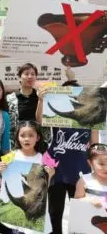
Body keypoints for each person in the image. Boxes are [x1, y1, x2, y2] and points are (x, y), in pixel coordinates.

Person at [36, 67, 99, 234]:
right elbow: (41, 120)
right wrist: (41, 101)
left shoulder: (89, 117)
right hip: (56, 169)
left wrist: (96, 169)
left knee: (80, 214)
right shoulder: (58, 113)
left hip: (79, 171)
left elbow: (95, 144)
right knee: (54, 214)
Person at [2, 120, 54, 234]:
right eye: (22, 135)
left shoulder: (44, 157)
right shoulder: (10, 155)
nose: (26, 139)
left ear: (38, 137)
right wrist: (0, 168)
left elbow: (46, 186)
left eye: (31, 135)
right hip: (17, 225)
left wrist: (50, 174)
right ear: (17, 138)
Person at [7, 63, 39, 147]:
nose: (30, 77)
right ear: (19, 77)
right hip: (16, 144)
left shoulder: (41, 97)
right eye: (26, 74)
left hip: (37, 143)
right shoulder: (10, 99)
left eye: (33, 74)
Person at [75, 143, 107, 209]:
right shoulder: (84, 181)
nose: (106, 168)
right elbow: (77, 200)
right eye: (101, 164)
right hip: (91, 217)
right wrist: (89, 200)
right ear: (90, 163)